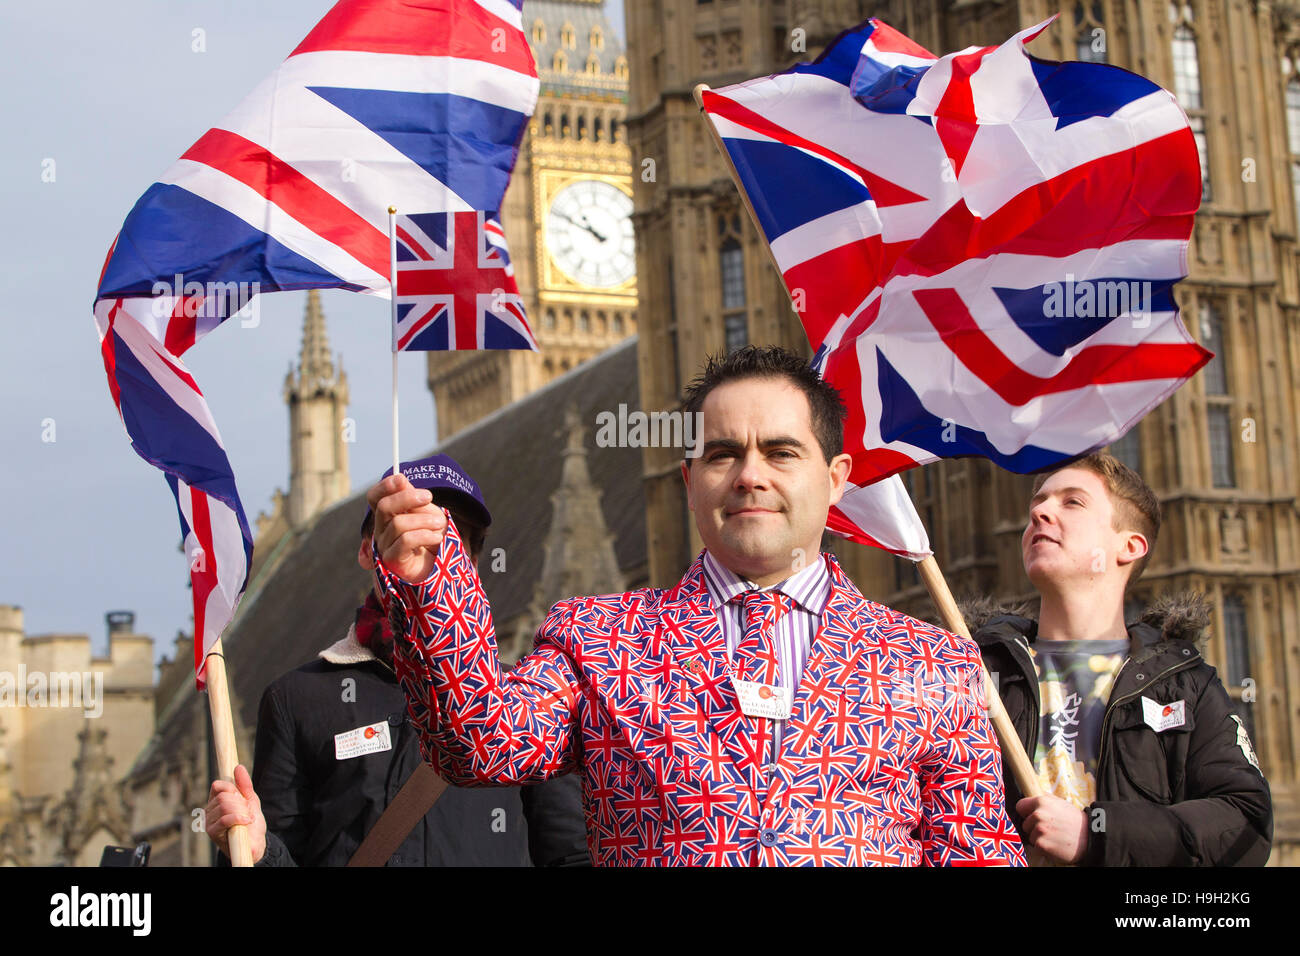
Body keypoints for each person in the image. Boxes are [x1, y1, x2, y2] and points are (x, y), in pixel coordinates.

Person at [368, 346, 1026, 866]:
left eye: (780, 451)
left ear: (835, 480)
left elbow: (975, 855)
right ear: (689, 482)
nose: (749, 474)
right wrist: (433, 585)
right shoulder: (599, 637)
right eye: (722, 454)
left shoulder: (932, 661)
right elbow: (476, 743)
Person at [205, 454, 588, 867]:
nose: (425, 559)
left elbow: (571, 855)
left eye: (448, 545)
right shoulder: (296, 699)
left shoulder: (527, 700)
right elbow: (277, 852)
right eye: (403, 534)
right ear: (369, 551)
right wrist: (259, 853)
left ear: (472, 565)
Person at [972, 453, 1272, 865]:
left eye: (1071, 502)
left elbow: (1246, 823)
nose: (1040, 511)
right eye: (1036, 503)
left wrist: (1097, 832)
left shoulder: (1185, 686)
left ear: (1129, 546)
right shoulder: (972, 671)